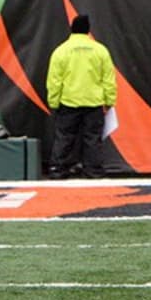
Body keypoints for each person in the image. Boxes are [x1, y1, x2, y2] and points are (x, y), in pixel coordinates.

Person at [45, 15, 116, 179]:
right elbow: (108, 79)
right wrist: (109, 101)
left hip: (68, 102)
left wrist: (54, 102)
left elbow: (54, 80)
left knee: (64, 137)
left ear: (71, 29)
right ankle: (93, 171)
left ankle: (58, 169)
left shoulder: (61, 51)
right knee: (92, 138)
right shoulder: (100, 50)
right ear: (88, 30)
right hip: (94, 102)